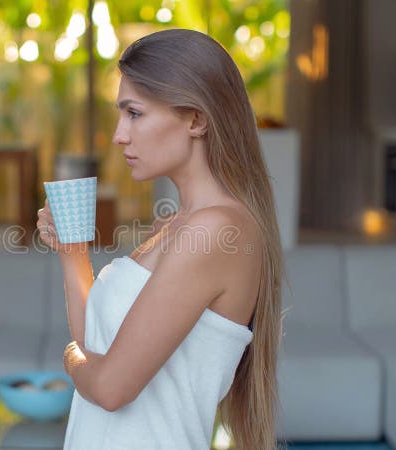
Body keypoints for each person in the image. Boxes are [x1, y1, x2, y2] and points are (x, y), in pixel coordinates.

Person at [36, 28, 285, 450]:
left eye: (134, 113)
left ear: (196, 119)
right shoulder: (173, 224)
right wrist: (72, 253)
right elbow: (97, 342)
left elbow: (111, 387)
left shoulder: (216, 231)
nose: (119, 134)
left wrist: (70, 360)